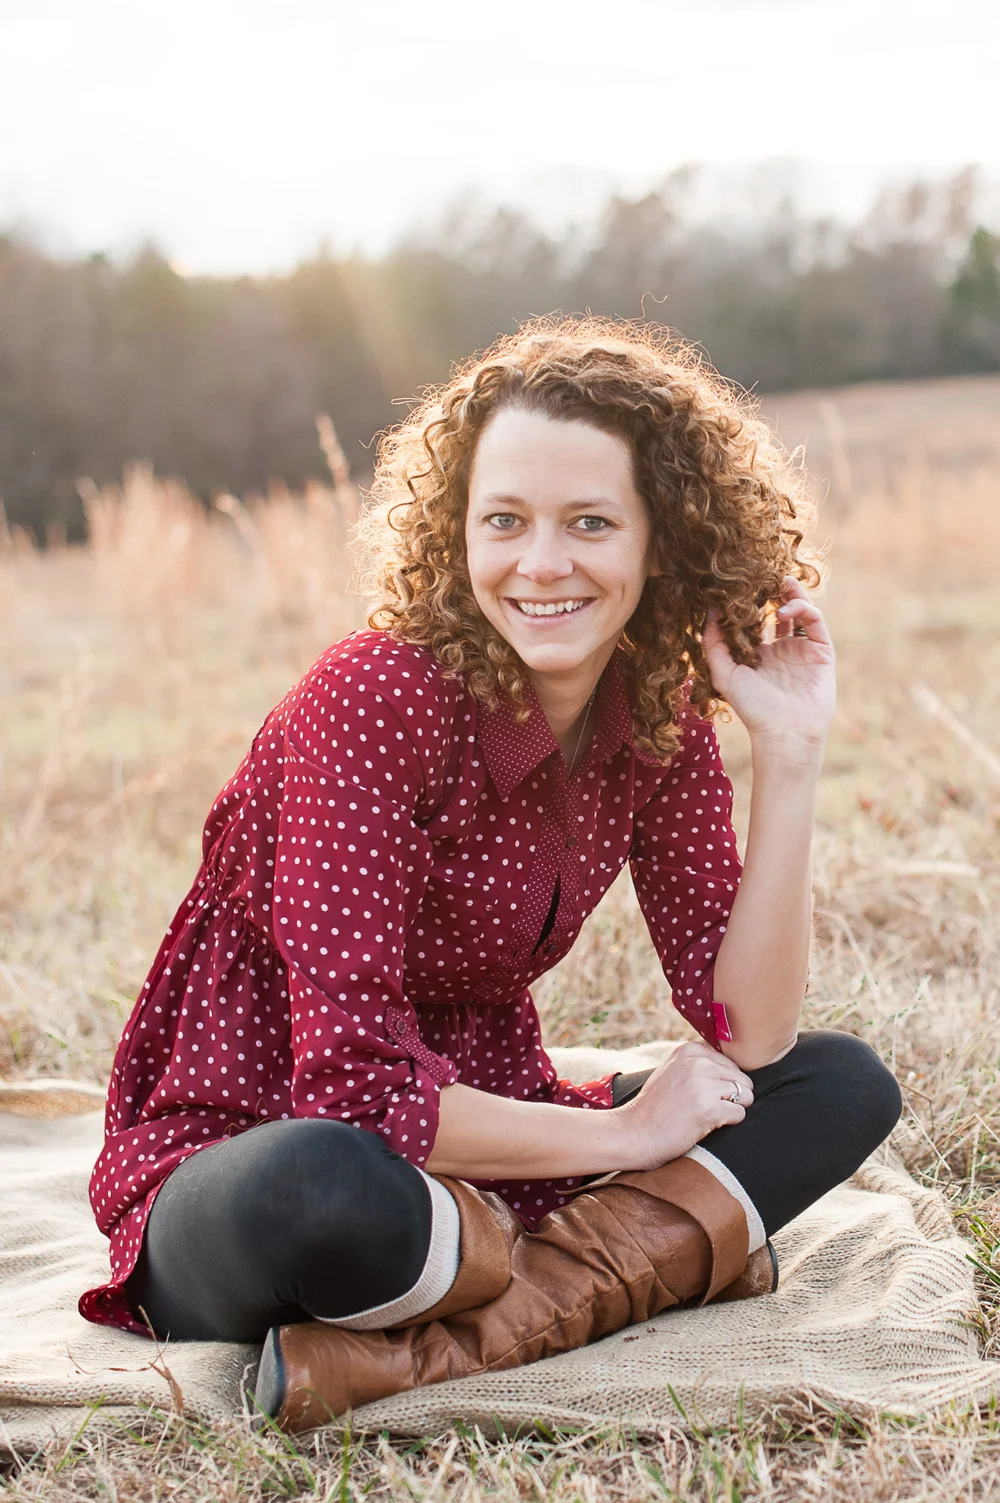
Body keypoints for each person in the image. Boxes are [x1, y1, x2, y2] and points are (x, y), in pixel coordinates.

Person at [79, 317, 902, 1432]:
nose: (541, 563)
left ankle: (437, 1337)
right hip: (261, 1152)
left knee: (835, 1083)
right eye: (504, 520)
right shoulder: (374, 698)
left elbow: (746, 1030)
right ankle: (647, 1256)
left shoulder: (655, 718)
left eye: (591, 523)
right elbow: (360, 1099)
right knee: (326, 1193)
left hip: (491, 1137)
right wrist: (626, 1142)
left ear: (662, 542)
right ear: (453, 534)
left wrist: (790, 752)